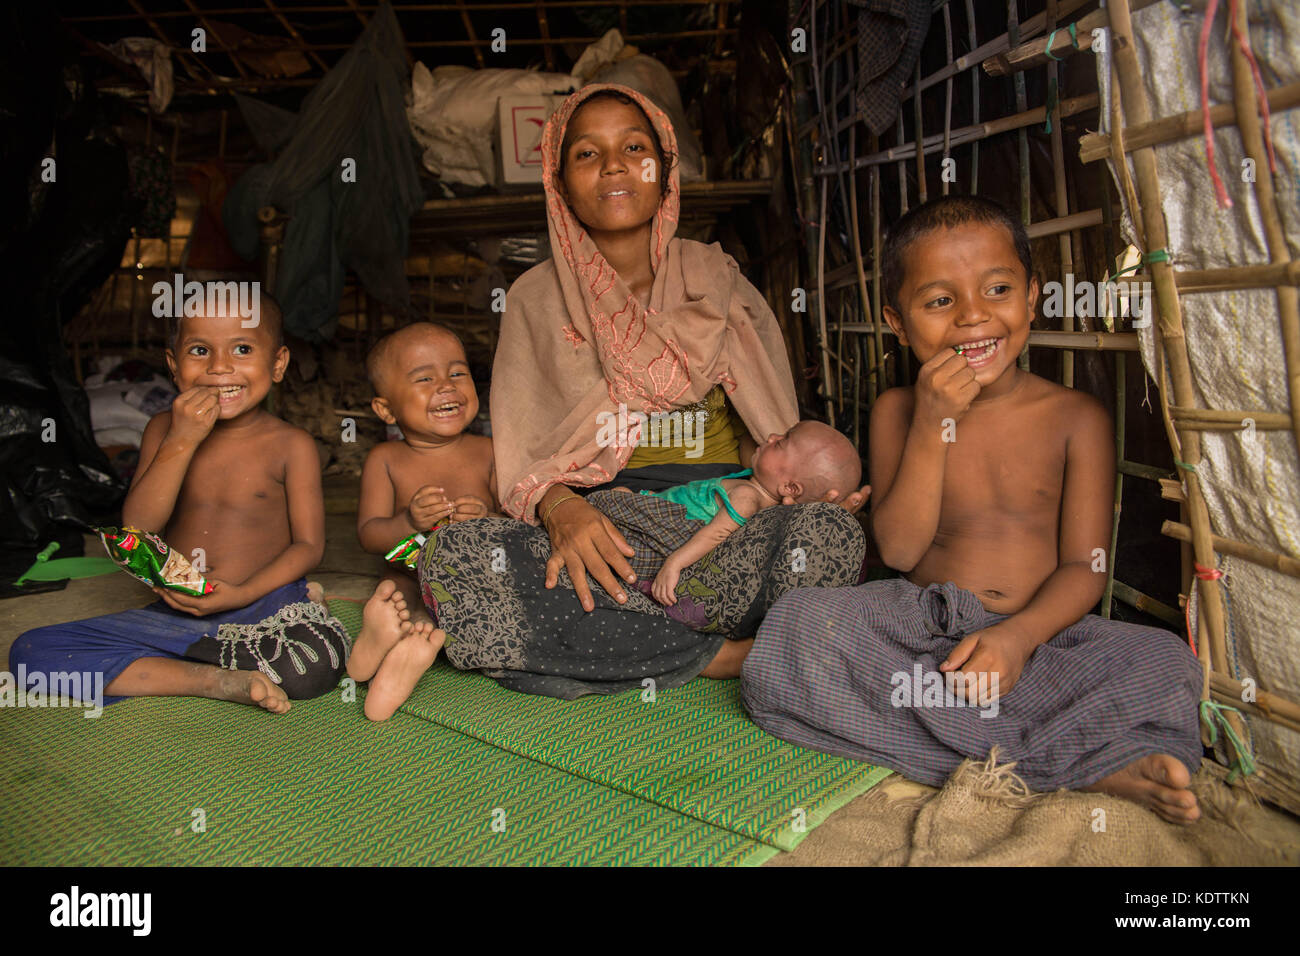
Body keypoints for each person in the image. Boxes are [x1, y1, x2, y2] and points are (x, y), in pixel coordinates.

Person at [741, 195, 1204, 824]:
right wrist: (933, 424)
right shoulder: (898, 411)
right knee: (797, 627)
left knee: (1167, 660)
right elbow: (900, 552)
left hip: (1040, 635)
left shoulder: (1075, 418)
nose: (972, 318)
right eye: (939, 301)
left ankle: (982, 749)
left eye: (997, 290)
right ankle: (1071, 763)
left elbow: (1086, 567)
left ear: (1033, 295)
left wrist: (1015, 639)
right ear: (897, 324)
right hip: (919, 630)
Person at [418, 83, 870, 699]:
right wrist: (562, 511)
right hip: (606, 542)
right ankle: (728, 652)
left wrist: (803, 504)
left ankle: (624, 647)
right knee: (454, 558)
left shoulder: (719, 282)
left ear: (665, 170)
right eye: (586, 154)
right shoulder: (533, 298)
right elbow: (526, 453)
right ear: (557, 180)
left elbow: (767, 441)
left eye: (635, 147)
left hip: (724, 535)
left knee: (831, 538)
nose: (613, 166)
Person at [10, 293, 350, 712]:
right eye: (199, 350)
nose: (219, 366)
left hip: (264, 606)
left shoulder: (291, 445)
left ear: (277, 364)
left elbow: (309, 546)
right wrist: (182, 440)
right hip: (178, 616)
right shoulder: (162, 430)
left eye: (242, 349)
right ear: (174, 366)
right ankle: (212, 679)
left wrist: (240, 593)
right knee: (31, 653)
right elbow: (139, 529)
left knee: (314, 665)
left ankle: (192, 660)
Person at [349, 322, 496, 721]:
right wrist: (407, 519)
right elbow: (370, 536)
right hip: (409, 572)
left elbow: (519, 524)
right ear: (386, 409)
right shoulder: (385, 459)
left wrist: (487, 518)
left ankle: (408, 644)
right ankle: (389, 635)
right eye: (425, 378)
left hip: (472, 580)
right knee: (398, 587)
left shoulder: (490, 452)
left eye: (457, 373)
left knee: (485, 596)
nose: (446, 386)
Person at [622, 421, 861, 606]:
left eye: (780, 443)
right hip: (652, 506)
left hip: (659, 524)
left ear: (789, 488)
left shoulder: (748, 499)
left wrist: (674, 564)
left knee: (612, 499)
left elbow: (715, 535)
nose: (771, 436)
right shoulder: (751, 486)